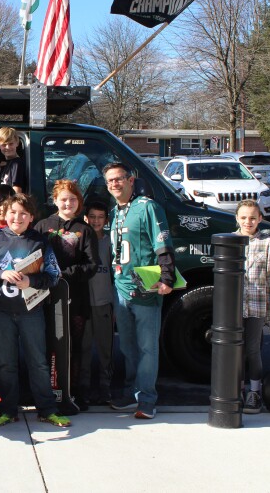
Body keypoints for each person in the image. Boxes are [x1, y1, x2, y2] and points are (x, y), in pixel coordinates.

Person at [0, 194, 71, 428]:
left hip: (31, 311)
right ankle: (7, 409)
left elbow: (54, 275)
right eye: (13, 212)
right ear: (5, 214)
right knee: (6, 363)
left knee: (38, 361)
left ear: (31, 217)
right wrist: (0, 274)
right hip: (1, 311)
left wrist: (32, 281)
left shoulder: (40, 241)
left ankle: (47, 409)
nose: (17, 217)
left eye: (23, 213)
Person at [104, 162, 174, 420]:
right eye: (110, 180)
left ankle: (146, 399)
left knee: (147, 348)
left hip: (146, 287)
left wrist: (166, 277)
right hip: (121, 289)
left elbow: (162, 243)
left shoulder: (148, 207)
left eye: (119, 179)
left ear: (131, 179)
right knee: (128, 347)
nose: (114, 184)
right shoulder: (116, 212)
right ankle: (132, 392)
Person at [34, 180, 98, 410]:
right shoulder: (42, 226)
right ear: (55, 201)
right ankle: (46, 392)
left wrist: (64, 274)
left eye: (72, 199)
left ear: (79, 202)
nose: (68, 203)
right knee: (45, 344)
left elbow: (92, 265)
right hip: (44, 298)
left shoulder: (85, 230)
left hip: (75, 299)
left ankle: (72, 393)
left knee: (73, 346)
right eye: (63, 199)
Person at [235, 199, 270, 414]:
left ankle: (254, 392)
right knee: (235, 349)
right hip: (234, 307)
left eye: (252, 217)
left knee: (252, 348)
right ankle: (237, 390)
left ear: (260, 218)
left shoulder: (267, 243)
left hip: (257, 305)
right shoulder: (232, 241)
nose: (248, 222)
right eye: (243, 217)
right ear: (237, 218)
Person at [79, 200, 116, 406]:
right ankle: (83, 389)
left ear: (106, 220)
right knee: (83, 349)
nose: (96, 221)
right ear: (86, 218)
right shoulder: (81, 240)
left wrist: (114, 305)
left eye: (100, 217)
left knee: (105, 349)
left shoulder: (109, 242)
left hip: (104, 302)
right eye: (92, 216)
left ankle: (105, 388)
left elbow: (114, 275)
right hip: (84, 304)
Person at [0, 127, 26, 195]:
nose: (8, 147)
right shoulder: (6, 164)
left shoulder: (16, 164)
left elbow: (16, 192)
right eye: (4, 144)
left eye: (11, 144)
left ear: (17, 143)